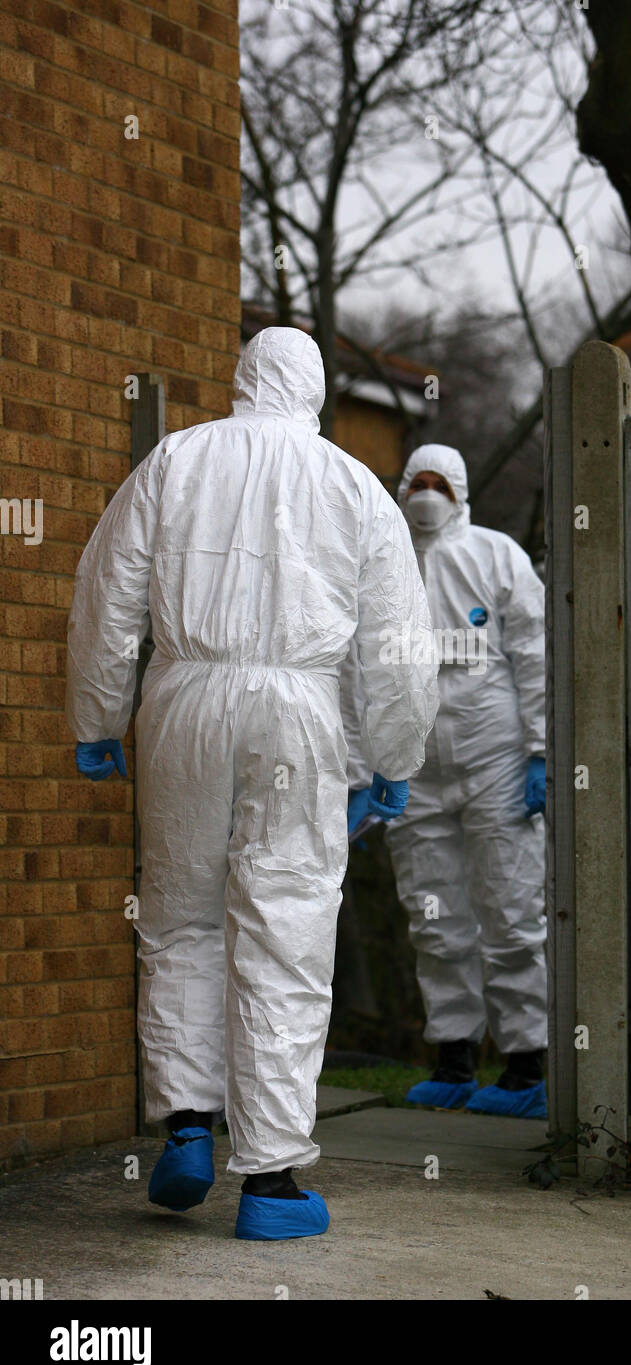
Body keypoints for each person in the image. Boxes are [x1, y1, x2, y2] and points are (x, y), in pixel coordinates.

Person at [66, 328, 439, 1240]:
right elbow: (394, 641)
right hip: (298, 707)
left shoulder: (175, 460)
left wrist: (97, 718)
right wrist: (392, 757)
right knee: (287, 926)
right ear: (312, 392)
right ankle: (270, 1182)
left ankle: (187, 1125)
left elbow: (107, 593)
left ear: (242, 381)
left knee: (179, 914)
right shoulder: (352, 484)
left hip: (183, 699)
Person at [347, 443, 548, 1118]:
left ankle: (527, 1065)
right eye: (416, 482)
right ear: (401, 489)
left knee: (512, 910)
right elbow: (357, 671)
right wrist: (360, 771)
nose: (426, 494)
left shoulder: (497, 556)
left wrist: (542, 750)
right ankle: (454, 1056)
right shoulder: (379, 560)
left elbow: (535, 653)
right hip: (414, 770)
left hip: (495, 759)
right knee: (435, 918)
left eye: (439, 484)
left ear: (461, 492)